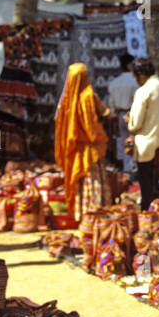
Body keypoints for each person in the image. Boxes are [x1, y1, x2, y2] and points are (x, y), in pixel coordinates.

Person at [55, 63, 110, 222]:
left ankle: (81, 213)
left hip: (74, 148)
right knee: (93, 180)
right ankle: (96, 212)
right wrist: (101, 135)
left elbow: (58, 123)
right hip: (91, 149)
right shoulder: (89, 96)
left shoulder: (65, 100)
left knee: (78, 180)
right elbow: (100, 117)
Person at [127, 59, 159, 211]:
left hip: (148, 143)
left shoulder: (143, 91)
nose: (135, 80)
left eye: (135, 77)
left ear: (140, 74)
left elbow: (136, 124)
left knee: (146, 182)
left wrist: (130, 120)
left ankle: (147, 210)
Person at [107, 56, 138, 173]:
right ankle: (135, 167)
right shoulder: (136, 81)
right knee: (135, 141)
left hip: (120, 114)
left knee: (124, 140)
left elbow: (111, 104)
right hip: (133, 113)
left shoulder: (114, 83)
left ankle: (127, 168)